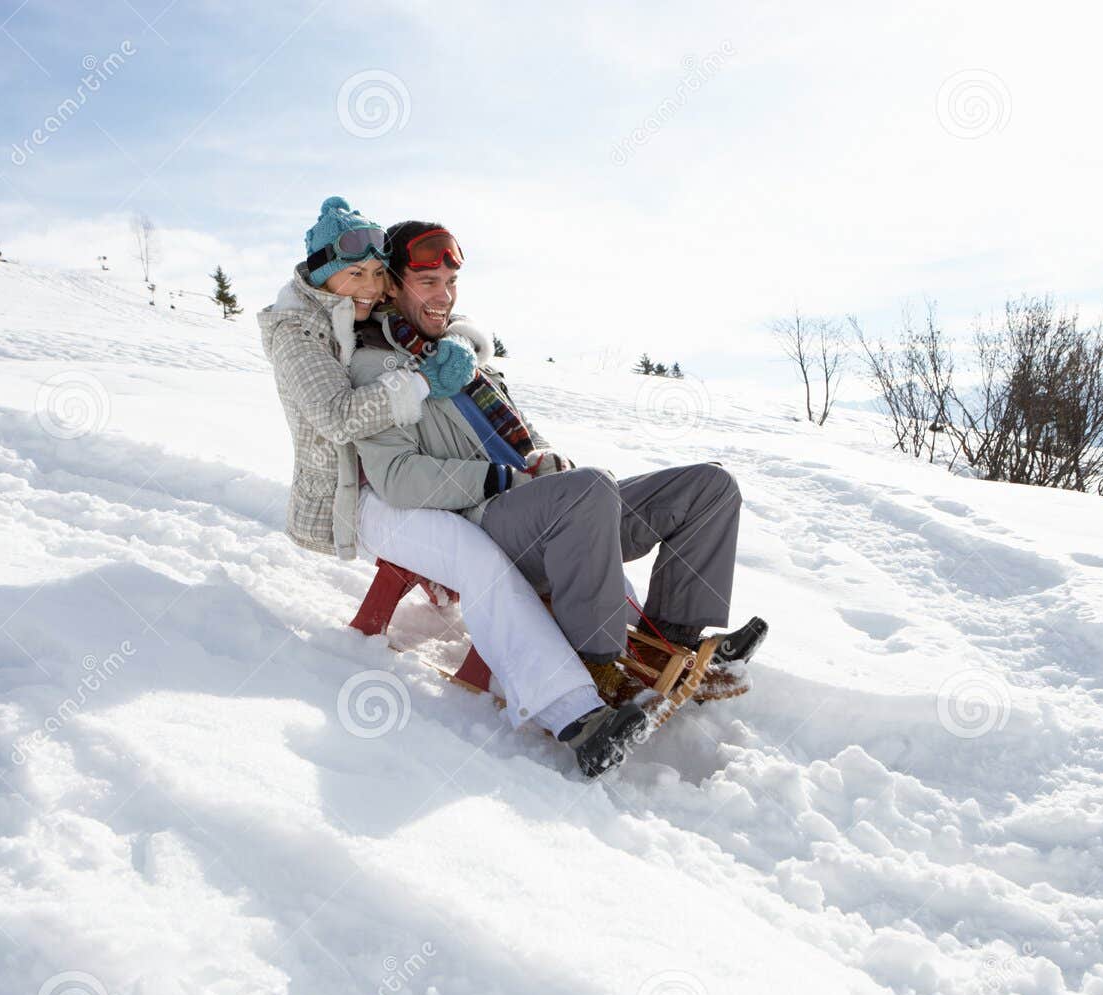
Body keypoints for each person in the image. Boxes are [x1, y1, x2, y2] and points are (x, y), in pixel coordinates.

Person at [347, 221, 769, 752]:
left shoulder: (460, 355)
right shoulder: (376, 369)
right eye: (427, 281)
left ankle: (675, 641)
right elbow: (397, 477)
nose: (444, 295)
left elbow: (518, 434)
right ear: (392, 285)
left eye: (450, 281)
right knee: (588, 489)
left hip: (553, 506)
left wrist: (543, 457)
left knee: (708, 487)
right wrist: (506, 478)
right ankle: (596, 665)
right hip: (489, 519)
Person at [258, 198, 628, 775]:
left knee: (536, 524)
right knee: (481, 559)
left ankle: (609, 642)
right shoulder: (296, 331)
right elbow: (335, 417)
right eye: (354, 273)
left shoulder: (367, 311)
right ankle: (574, 714)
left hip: (402, 474)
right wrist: (417, 383)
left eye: (376, 273)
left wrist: (454, 354)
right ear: (321, 271)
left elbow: (429, 324)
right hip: (358, 494)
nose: (367, 285)